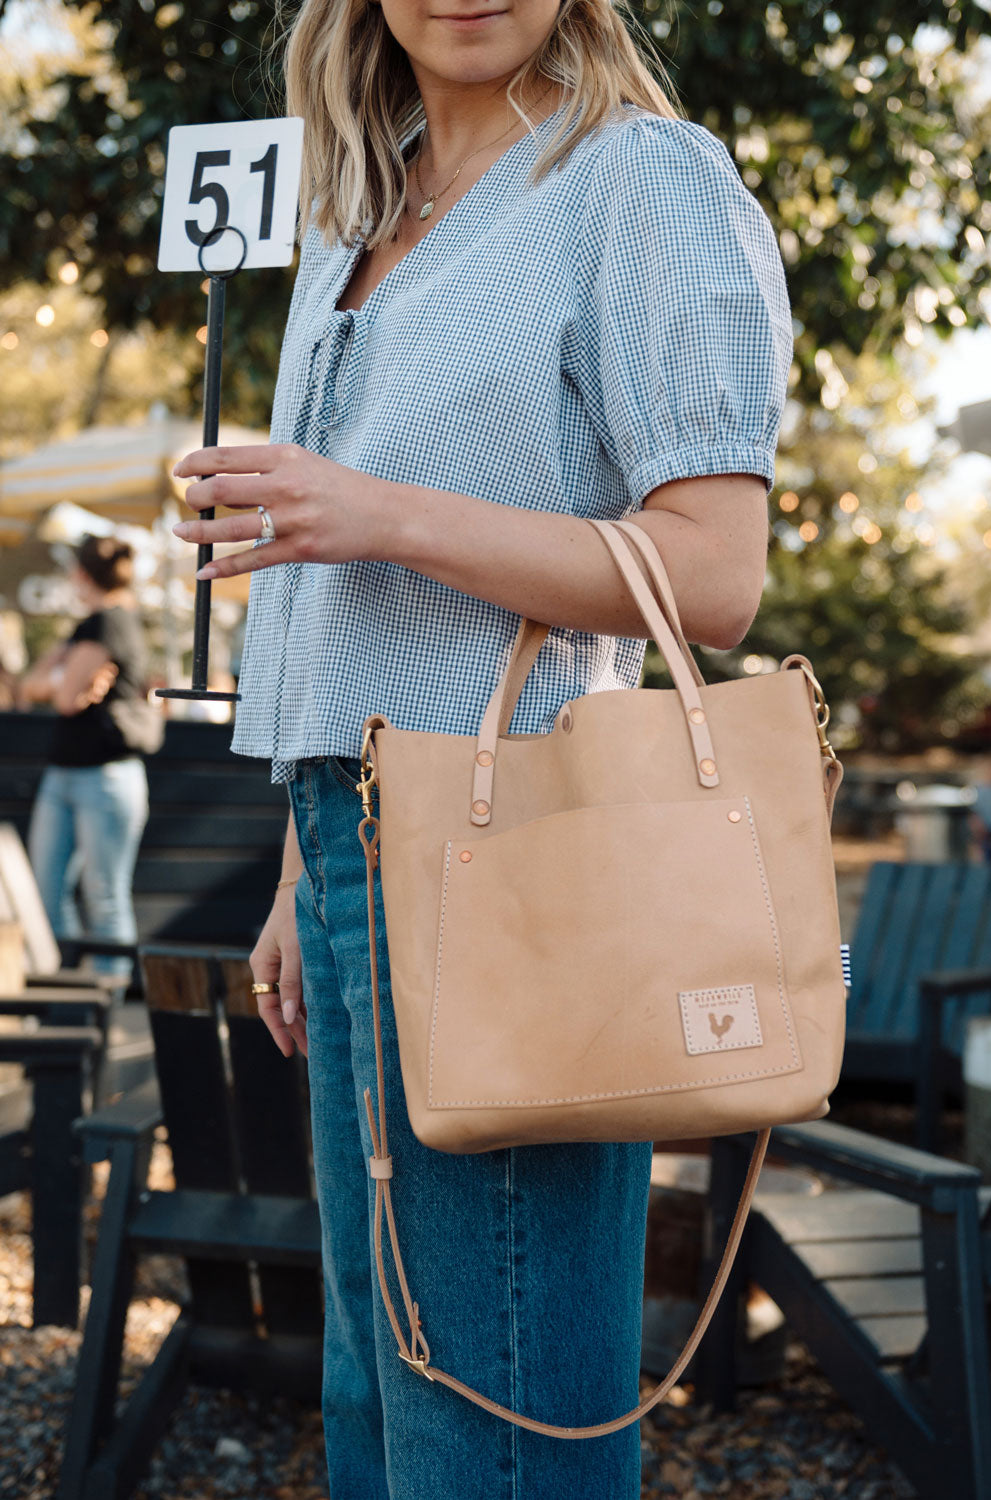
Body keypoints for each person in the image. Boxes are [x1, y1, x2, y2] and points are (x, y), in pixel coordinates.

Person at [170, 0, 792, 1493]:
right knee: (384, 1400)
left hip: (519, 862)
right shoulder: (355, 212)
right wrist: (299, 867)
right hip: (352, 844)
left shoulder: (638, 178)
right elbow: (333, 608)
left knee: (491, 1414)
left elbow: (712, 571)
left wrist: (377, 511)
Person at [21, 535, 154, 981]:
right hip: (66, 776)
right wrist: (64, 679)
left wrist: (60, 679)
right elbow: (36, 686)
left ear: (80, 575)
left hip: (106, 778)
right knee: (47, 895)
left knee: (105, 898)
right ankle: (64, 995)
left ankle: (103, 1009)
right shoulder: (91, 626)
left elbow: (58, 696)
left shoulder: (109, 624)